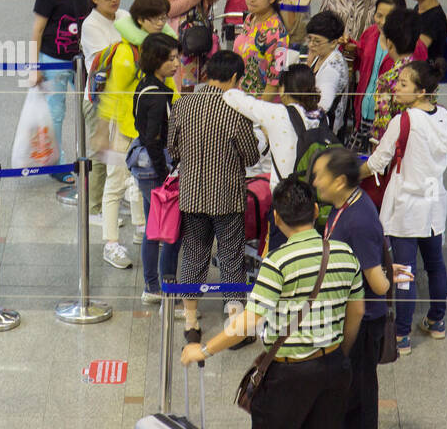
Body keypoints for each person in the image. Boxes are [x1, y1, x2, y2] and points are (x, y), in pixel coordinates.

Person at [181, 177, 363, 429]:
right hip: (333, 368)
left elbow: (249, 321)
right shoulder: (345, 253)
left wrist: (204, 350)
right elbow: (356, 312)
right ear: (316, 211)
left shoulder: (278, 262)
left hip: (288, 373)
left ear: (276, 218)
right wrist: (339, 354)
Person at [310, 148, 411, 429]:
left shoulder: (358, 219)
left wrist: (383, 273)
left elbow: (379, 285)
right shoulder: (347, 207)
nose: (315, 181)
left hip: (363, 323)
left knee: (360, 396)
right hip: (344, 316)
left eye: (320, 175)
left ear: (339, 181)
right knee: (345, 389)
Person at [361, 60, 447, 356]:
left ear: (421, 91)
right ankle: (436, 321)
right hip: (434, 201)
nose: (396, 87)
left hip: (407, 203)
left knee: (404, 271)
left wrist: (348, 174)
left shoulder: (404, 121)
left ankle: (401, 334)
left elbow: (378, 162)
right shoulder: (444, 117)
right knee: (435, 263)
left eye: (403, 84)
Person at [167, 50, 262, 340]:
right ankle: (234, 324)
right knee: (232, 256)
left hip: (193, 193)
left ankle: (191, 322)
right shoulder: (236, 109)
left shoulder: (184, 104)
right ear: (235, 77)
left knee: (194, 253)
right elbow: (250, 155)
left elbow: (173, 149)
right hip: (227, 195)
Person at [97, 0, 172, 268]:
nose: (162, 22)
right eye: (156, 18)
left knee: (146, 183)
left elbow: (171, 91)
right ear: (140, 19)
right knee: (115, 184)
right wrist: (102, 130)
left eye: (164, 17)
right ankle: (111, 243)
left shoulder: (163, 47)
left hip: (152, 130)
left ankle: (142, 227)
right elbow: (113, 94)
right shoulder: (127, 52)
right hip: (125, 130)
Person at [224, 64, 328, 255]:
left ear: (283, 89)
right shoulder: (321, 116)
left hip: (285, 198)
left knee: (279, 258)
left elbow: (231, 97)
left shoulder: (279, 114)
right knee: (306, 256)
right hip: (314, 196)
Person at [30, 0, 96, 182]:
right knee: (55, 113)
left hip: (86, 59)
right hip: (54, 59)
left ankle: (98, 160)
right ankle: (55, 164)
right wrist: (35, 67)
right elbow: (37, 29)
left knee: (93, 108)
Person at [129, 33, 181, 302]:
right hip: (156, 167)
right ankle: (162, 285)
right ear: (155, 60)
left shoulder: (144, 86)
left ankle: (152, 285)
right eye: (170, 59)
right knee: (168, 228)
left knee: (153, 225)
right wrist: (165, 176)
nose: (176, 63)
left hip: (143, 165)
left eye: (176, 57)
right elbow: (153, 138)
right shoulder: (159, 95)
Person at [350, 0, 428, 136]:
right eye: (379, 15)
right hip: (364, 110)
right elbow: (361, 62)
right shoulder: (370, 33)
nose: (383, 22)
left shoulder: (414, 48)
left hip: (392, 123)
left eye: (389, 17)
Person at [80, 0, 123, 226]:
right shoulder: (91, 25)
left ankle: (113, 200)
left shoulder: (125, 17)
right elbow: (104, 61)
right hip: (100, 100)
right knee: (101, 154)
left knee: (119, 153)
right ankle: (94, 209)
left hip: (124, 98)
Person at [367, 8, 422, 147]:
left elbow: (382, 125)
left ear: (389, 43)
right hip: (420, 145)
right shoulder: (424, 73)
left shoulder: (388, 80)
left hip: (397, 151)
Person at [232, 0, 288, 100]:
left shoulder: (279, 35)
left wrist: (259, 110)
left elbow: (275, 81)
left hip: (261, 105)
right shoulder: (250, 18)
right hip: (241, 96)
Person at [304, 11, 348, 134]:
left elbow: (323, 106)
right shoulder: (322, 55)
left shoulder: (332, 69)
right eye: (310, 39)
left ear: (333, 42)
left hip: (325, 131)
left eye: (317, 41)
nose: (311, 45)